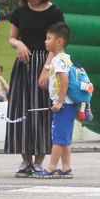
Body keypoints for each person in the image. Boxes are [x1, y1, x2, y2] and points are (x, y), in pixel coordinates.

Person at [5, 0, 64, 177]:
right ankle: (25, 161)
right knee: (21, 109)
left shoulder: (54, 13)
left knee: (42, 111)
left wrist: (46, 69)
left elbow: (57, 44)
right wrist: (19, 45)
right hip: (24, 65)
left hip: (46, 63)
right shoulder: (20, 12)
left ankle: (39, 161)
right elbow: (12, 38)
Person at [36, 22, 76, 179]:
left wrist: (59, 101)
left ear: (59, 41)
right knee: (65, 138)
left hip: (63, 105)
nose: (45, 41)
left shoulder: (57, 60)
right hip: (69, 104)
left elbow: (64, 80)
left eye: (49, 38)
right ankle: (66, 168)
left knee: (58, 138)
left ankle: (51, 168)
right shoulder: (66, 58)